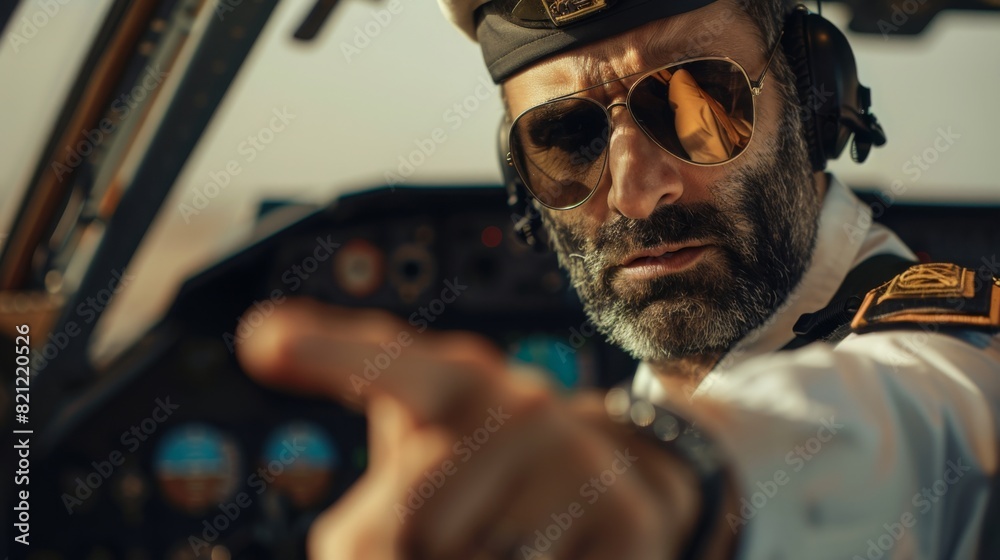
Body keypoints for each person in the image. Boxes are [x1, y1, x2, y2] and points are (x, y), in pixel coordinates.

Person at [236, 0, 1000, 558]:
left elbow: (901, 432)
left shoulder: (952, 363)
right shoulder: (646, 400)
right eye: (565, 139)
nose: (635, 193)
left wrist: (673, 490)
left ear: (812, 105)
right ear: (522, 185)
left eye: (697, 105)